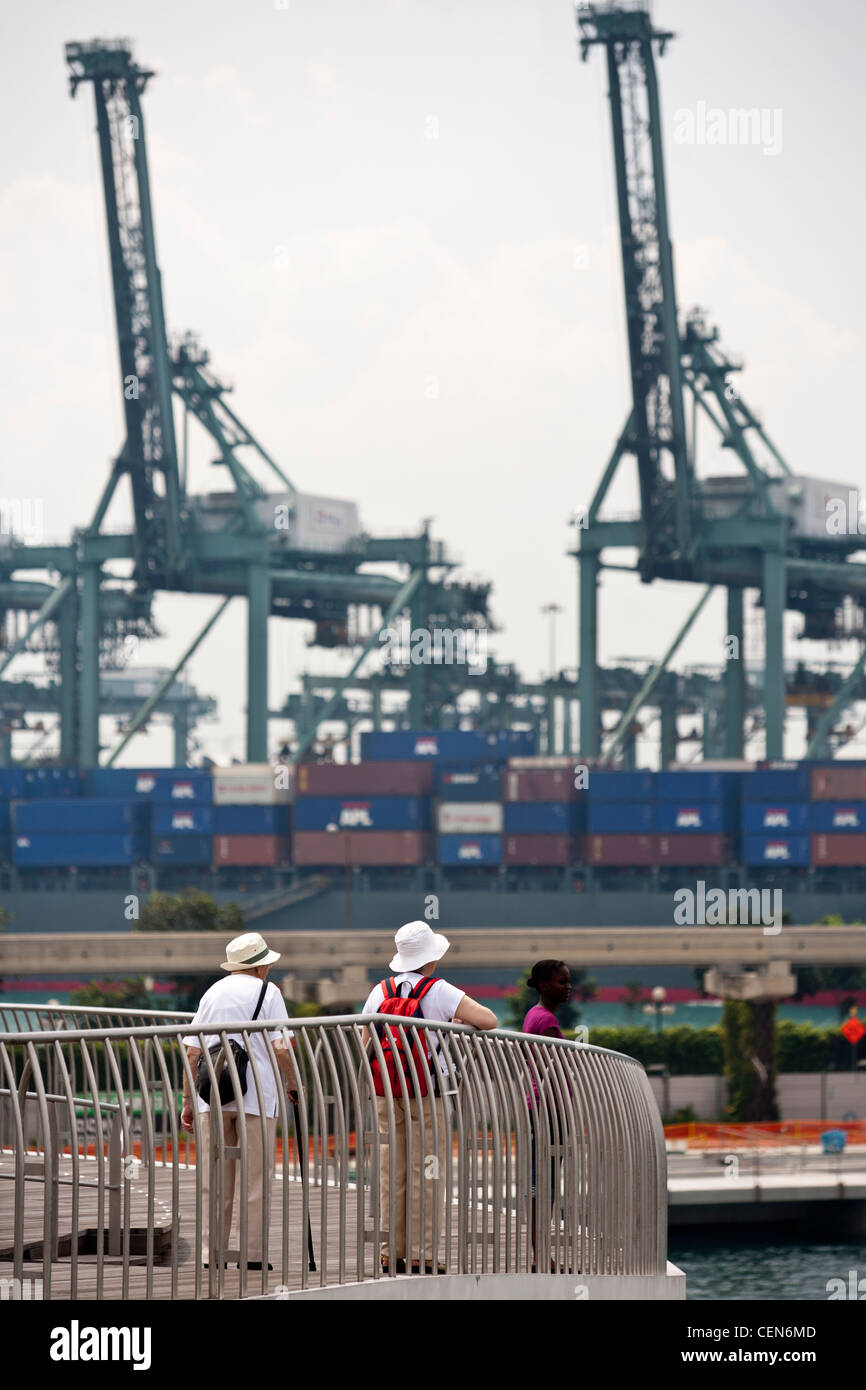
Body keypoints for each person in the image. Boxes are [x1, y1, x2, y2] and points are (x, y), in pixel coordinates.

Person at [362, 920, 497, 1275]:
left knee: (393, 1173)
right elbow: (489, 1020)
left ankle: (392, 1252)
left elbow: (364, 1041)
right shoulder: (438, 990)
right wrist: (455, 1023)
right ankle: (423, 1254)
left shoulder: (381, 990)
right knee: (429, 1171)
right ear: (431, 958)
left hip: (386, 1092)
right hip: (428, 1092)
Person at [180, 931, 299, 1270]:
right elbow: (280, 1048)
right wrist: (293, 1084)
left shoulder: (213, 992)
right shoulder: (269, 992)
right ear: (261, 967)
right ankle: (253, 1256)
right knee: (256, 1179)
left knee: (214, 1180)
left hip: (212, 1097)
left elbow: (191, 1052)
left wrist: (188, 1101)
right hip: (257, 1098)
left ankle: (211, 1254)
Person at [522, 959, 572, 1271]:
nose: (568, 987)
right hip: (550, 1110)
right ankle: (543, 1257)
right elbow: (553, 1068)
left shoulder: (533, 1015)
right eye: (561, 981)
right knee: (547, 1185)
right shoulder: (548, 1022)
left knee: (539, 1184)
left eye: (569, 981)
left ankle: (541, 1254)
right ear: (544, 985)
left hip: (536, 1107)